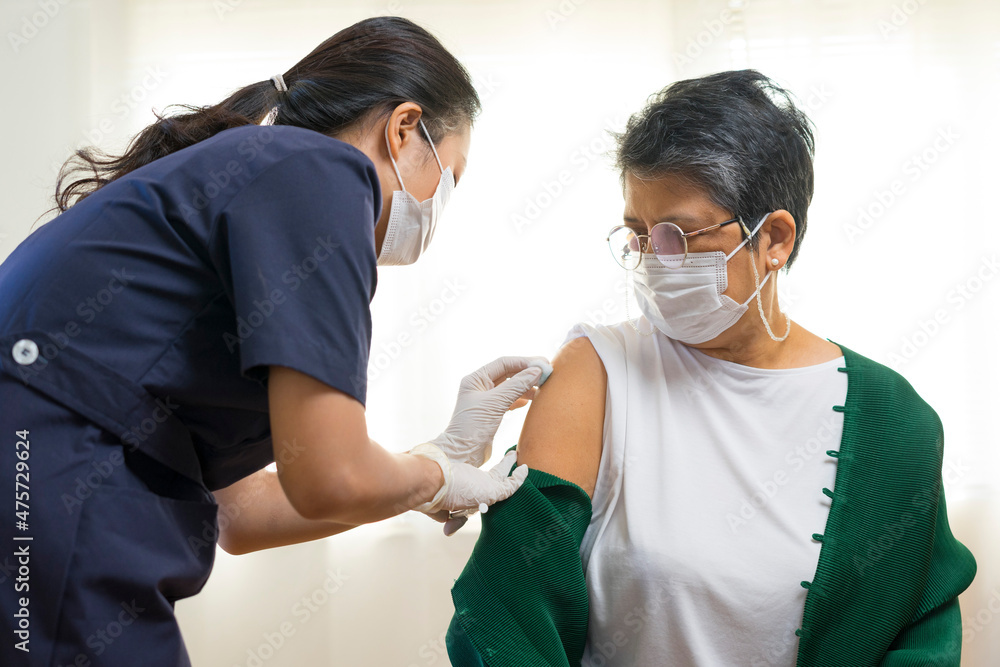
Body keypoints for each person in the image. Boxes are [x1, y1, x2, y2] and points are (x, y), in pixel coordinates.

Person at [0, 16, 542, 666]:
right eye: (449, 178)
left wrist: (430, 461)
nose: (440, 206)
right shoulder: (321, 171)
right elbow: (333, 476)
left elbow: (241, 514)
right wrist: (436, 477)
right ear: (404, 128)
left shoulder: (254, 177)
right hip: (53, 493)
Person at [445, 70, 977, 666]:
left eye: (676, 234)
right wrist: (426, 475)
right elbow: (510, 609)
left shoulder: (892, 419)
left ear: (773, 238)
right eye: (638, 234)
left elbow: (918, 636)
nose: (651, 261)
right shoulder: (599, 371)